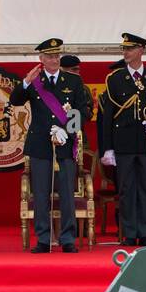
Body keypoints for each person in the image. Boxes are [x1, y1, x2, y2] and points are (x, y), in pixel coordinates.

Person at [12, 38, 91, 254]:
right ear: (41, 59)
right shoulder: (35, 81)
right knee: (41, 192)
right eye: (49, 56)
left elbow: (83, 111)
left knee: (66, 191)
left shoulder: (73, 81)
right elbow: (15, 100)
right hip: (40, 143)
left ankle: (67, 238)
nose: (54, 59)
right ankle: (44, 238)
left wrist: (68, 130)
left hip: (65, 143)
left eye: (56, 56)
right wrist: (26, 81)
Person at [99, 33, 146, 247]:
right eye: (124, 49)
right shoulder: (115, 79)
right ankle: (130, 232)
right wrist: (107, 149)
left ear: (141, 50)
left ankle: (145, 231)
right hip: (124, 143)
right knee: (127, 189)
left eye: (130, 49)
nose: (126, 53)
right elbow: (107, 116)